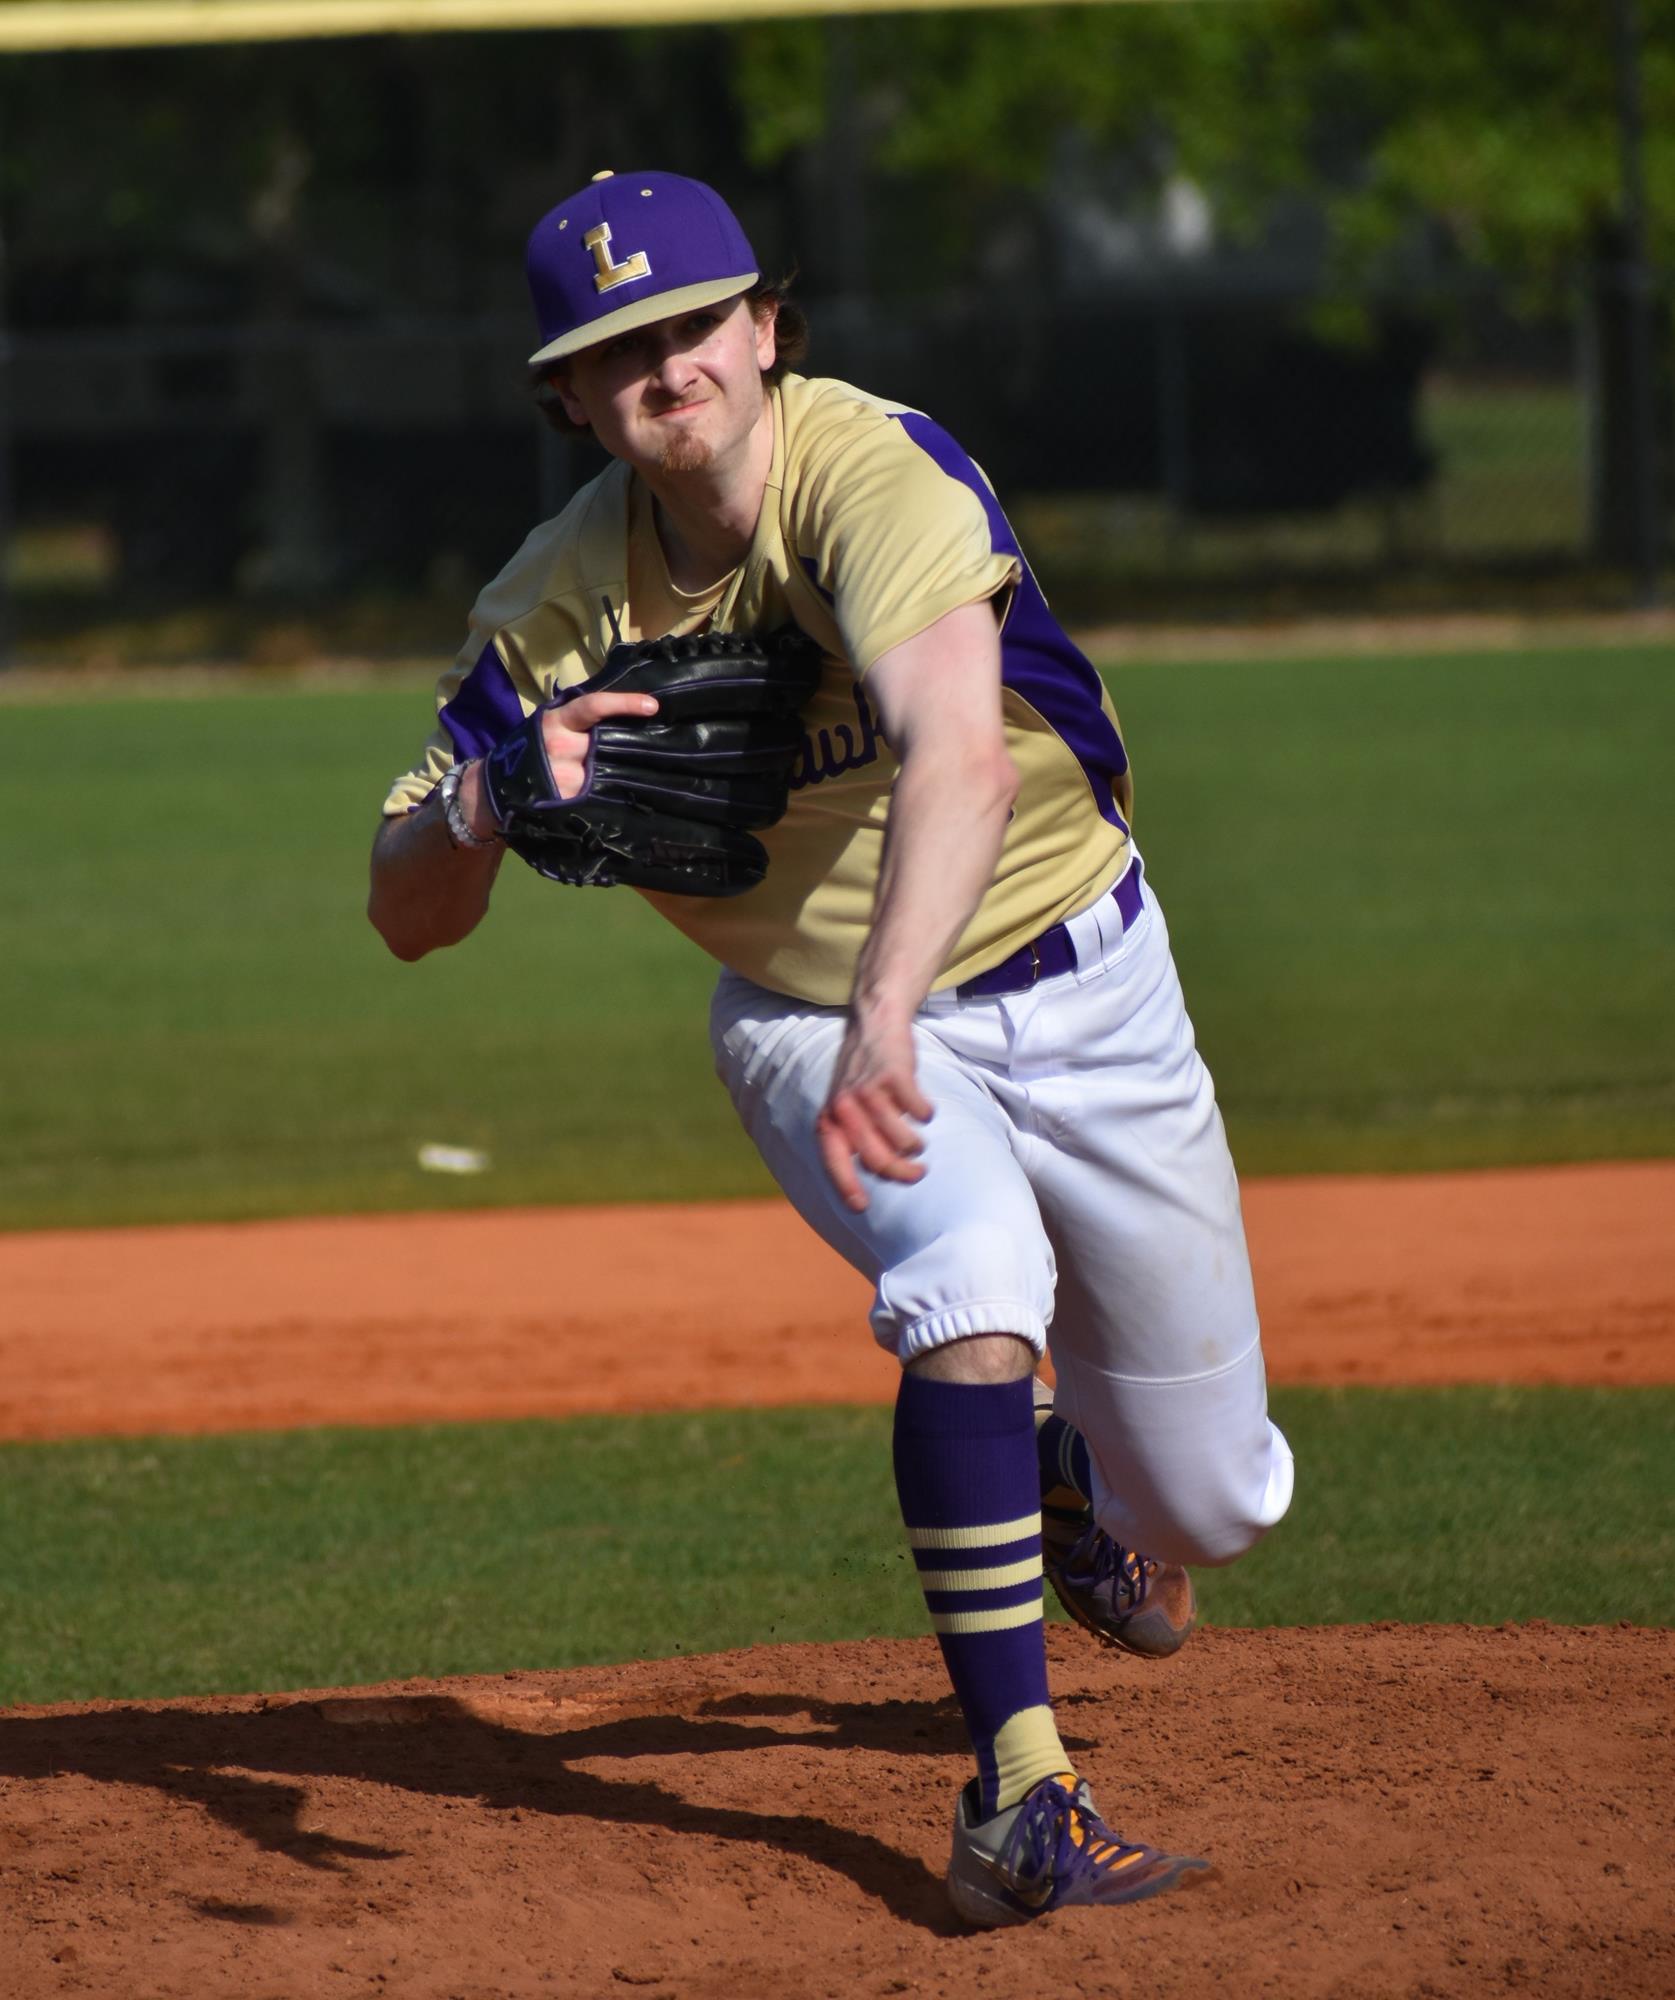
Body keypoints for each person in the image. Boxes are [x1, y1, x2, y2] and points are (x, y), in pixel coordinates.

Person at [368, 169, 1294, 1927]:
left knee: (1216, 1505)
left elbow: (952, 749)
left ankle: (1067, 1475)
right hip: (810, 1021)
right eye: (612, 349)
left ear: (766, 329)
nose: (664, 366)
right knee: (967, 1281)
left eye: (692, 322)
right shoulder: (553, 606)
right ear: (568, 398)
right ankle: (1021, 1796)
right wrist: (487, 798)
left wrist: (899, 995)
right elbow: (406, 910)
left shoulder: (879, 471)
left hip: (1085, 984)